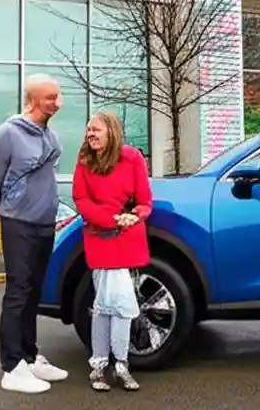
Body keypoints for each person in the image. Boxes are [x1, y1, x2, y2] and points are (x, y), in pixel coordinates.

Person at [0, 74, 70, 394]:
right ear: (33, 100)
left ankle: (29, 356)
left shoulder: (50, 135)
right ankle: (12, 366)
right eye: (50, 97)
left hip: (44, 221)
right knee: (18, 290)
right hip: (18, 222)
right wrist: (7, 209)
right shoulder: (9, 133)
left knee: (33, 290)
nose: (57, 102)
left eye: (58, 97)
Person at [71, 110, 153, 392]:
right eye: (88, 130)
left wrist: (135, 216)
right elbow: (80, 197)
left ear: (112, 132)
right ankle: (104, 365)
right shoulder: (84, 161)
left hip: (127, 237)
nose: (90, 134)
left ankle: (115, 364)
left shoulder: (132, 158)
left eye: (96, 130)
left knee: (113, 305)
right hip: (100, 236)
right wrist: (108, 219)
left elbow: (144, 200)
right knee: (113, 304)